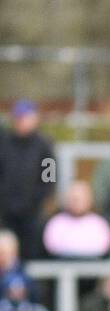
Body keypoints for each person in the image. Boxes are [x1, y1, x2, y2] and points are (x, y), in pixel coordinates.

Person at [0, 100, 56, 262]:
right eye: (19, 117)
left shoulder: (44, 145)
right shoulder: (4, 143)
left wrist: (39, 201)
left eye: (25, 117)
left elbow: (49, 176)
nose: (22, 122)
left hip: (32, 213)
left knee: (32, 254)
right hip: (6, 212)